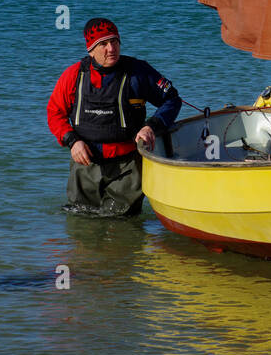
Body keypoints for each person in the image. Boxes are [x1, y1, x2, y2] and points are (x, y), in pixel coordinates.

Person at [47, 18, 182, 216]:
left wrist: (151, 126)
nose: (111, 48)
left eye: (115, 41)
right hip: (85, 165)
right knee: (82, 223)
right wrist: (72, 141)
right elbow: (54, 112)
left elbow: (172, 99)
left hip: (127, 167)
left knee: (120, 227)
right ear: (91, 49)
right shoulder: (74, 75)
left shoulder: (139, 72)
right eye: (103, 44)